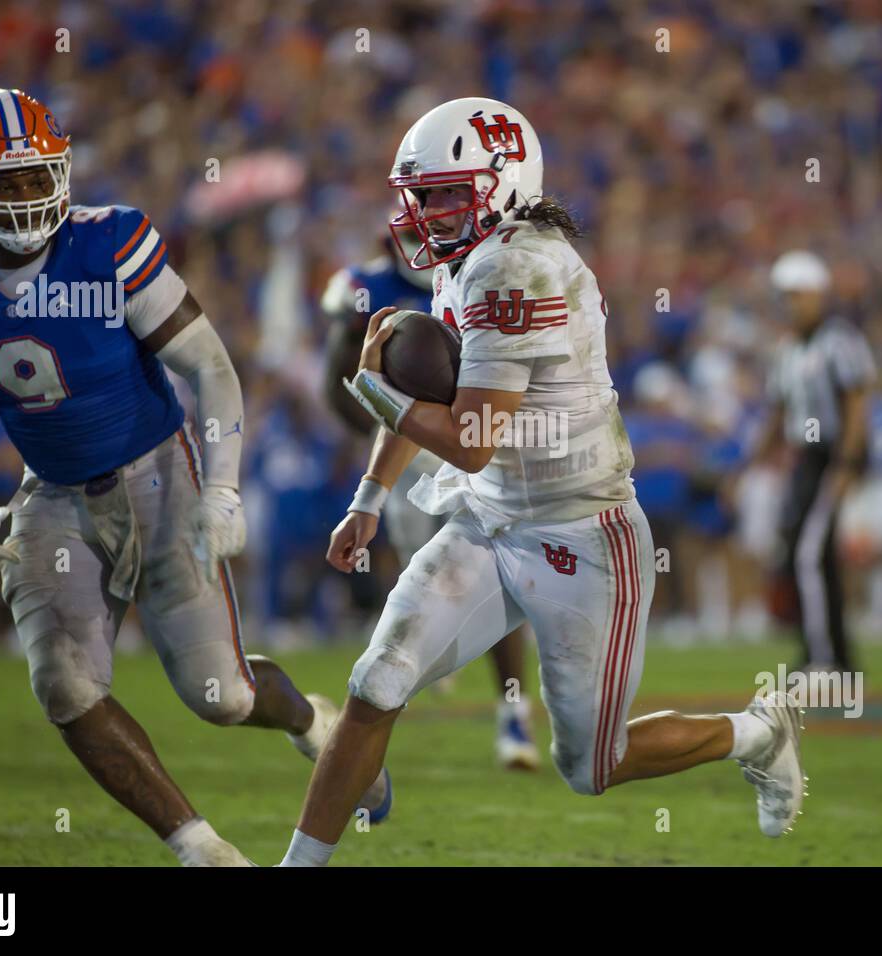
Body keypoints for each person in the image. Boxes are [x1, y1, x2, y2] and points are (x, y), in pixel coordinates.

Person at [280, 97, 805, 867]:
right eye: (423, 195)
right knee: (376, 682)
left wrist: (372, 389)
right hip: (488, 519)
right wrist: (370, 495)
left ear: (502, 183)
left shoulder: (517, 268)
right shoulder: (470, 258)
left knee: (591, 764)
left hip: (582, 531)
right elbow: (433, 408)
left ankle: (757, 733)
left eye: (445, 192)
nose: (427, 211)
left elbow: (469, 442)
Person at [0, 88, 388, 865]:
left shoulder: (109, 242)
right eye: (8, 180)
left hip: (160, 474)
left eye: (39, 176)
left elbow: (210, 366)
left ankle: (310, 722)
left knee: (221, 696)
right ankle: (202, 850)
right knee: (63, 686)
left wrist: (223, 487)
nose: (28, 194)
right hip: (52, 495)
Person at [320, 230, 539, 769]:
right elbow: (337, 384)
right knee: (420, 576)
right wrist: (391, 433)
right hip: (405, 451)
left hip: (474, 447)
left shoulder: (488, 277)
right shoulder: (366, 289)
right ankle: (431, 655)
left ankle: (513, 713)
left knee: (492, 574)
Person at [736, 251, 873, 672]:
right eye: (785, 296)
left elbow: (856, 405)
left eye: (796, 294)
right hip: (805, 458)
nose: (790, 304)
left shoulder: (839, 341)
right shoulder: (787, 349)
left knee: (809, 553)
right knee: (811, 553)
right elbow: (778, 414)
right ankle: (831, 654)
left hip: (833, 455)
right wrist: (748, 467)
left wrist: (847, 463)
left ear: (816, 293)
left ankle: (823, 657)